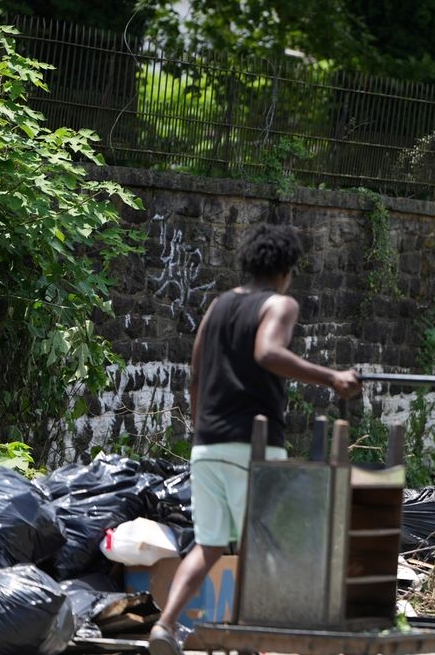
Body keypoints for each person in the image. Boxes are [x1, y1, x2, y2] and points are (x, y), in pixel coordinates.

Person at [149, 223, 361, 655]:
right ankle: (249, 638)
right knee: (258, 545)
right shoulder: (280, 304)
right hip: (254, 443)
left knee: (208, 546)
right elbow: (267, 352)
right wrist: (331, 377)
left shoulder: (218, 305)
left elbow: (195, 371)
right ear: (286, 268)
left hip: (207, 443)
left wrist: (201, 428)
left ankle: (165, 626)